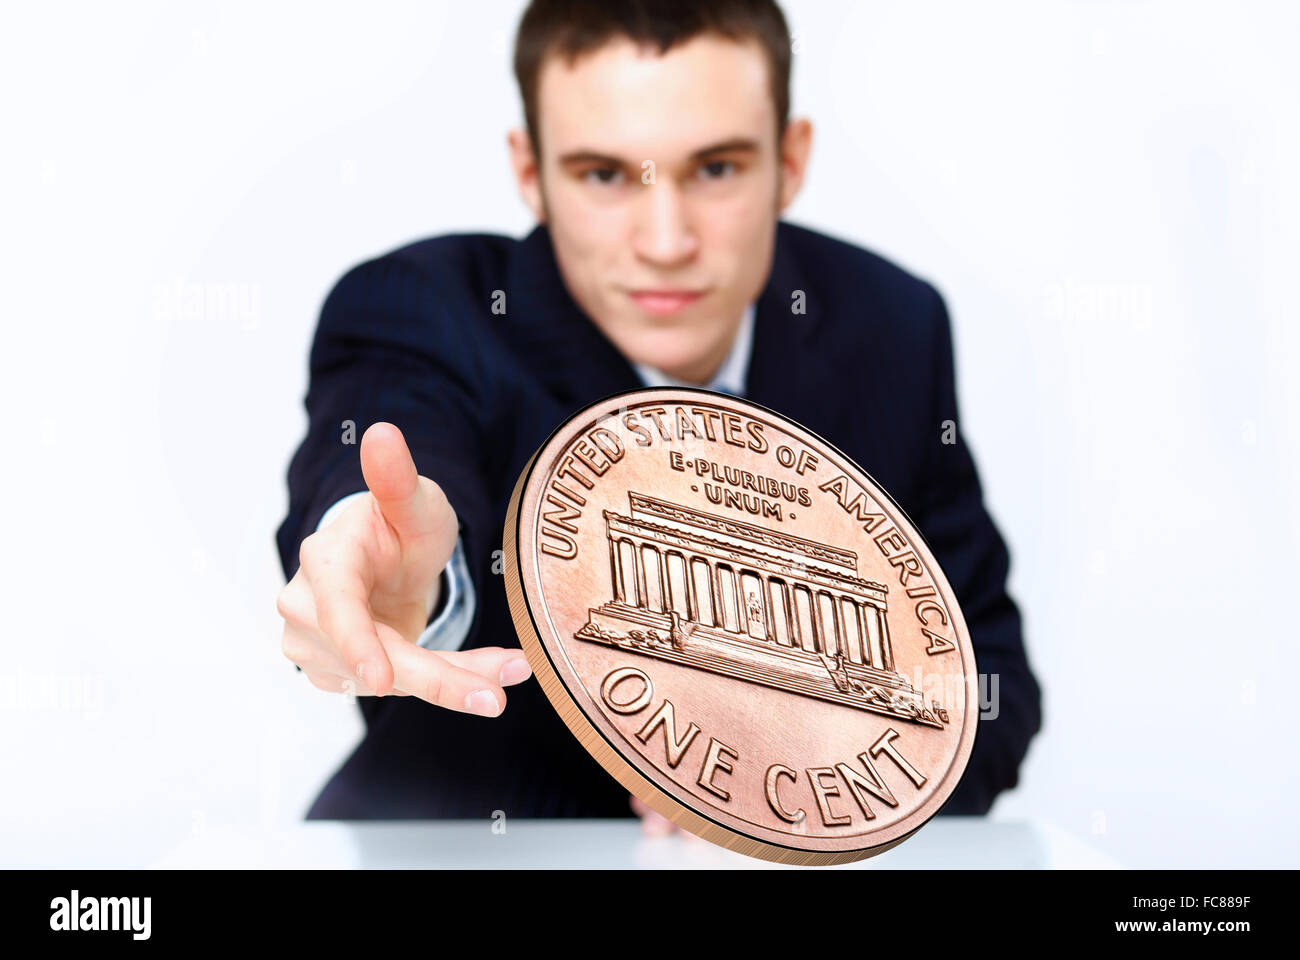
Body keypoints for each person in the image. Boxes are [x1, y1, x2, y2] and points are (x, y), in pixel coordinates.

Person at [275, 0, 1042, 827]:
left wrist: (807, 817)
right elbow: (399, 437)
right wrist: (409, 576)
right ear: (531, 173)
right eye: (606, 176)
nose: (666, 240)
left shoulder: (893, 324)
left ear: (791, 160)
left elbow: (989, 688)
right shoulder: (425, 312)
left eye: (715, 169)